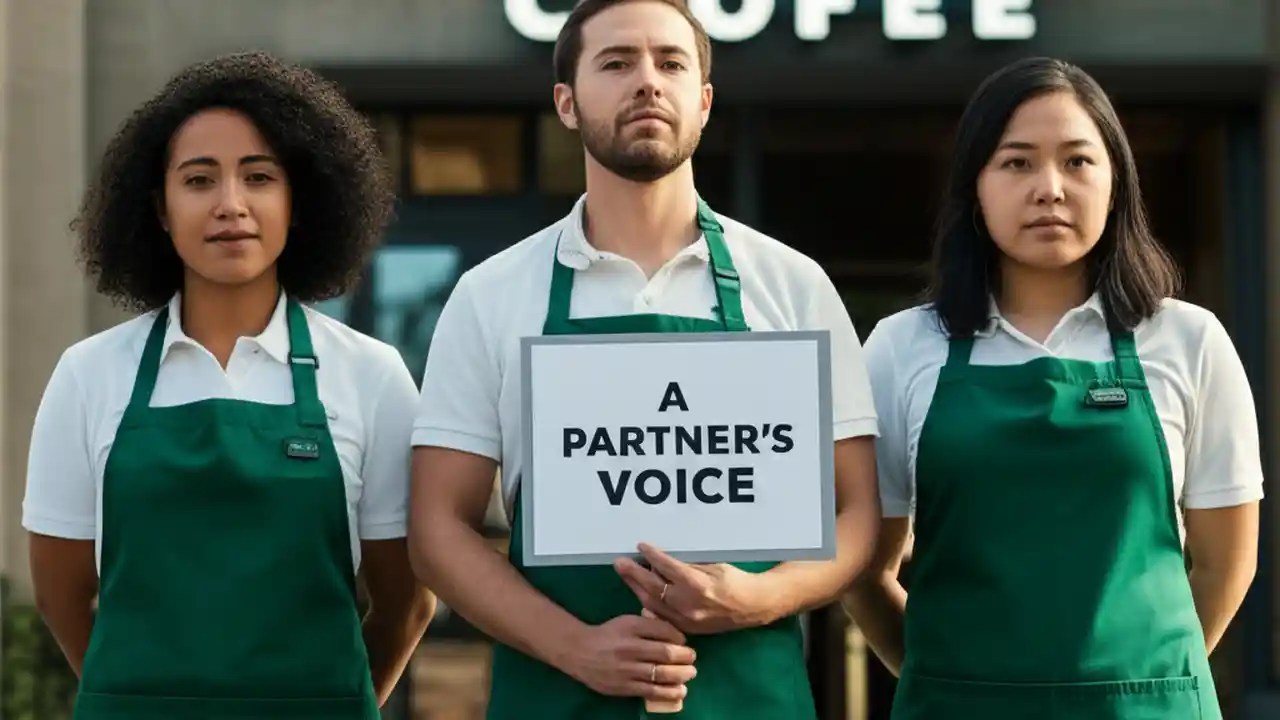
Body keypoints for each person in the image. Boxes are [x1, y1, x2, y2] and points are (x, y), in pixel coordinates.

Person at [407, 0, 881, 717]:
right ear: (566, 103)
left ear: (704, 101)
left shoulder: (792, 284)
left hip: (750, 699)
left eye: (671, 62)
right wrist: (576, 647)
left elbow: (859, 513)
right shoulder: (492, 294)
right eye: (616, 62)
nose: (648, 81)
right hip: (558, 699)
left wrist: (758, 596)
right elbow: (438, 529)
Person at [844, 56, 1263, 720]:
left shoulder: (1189, 339)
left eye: (1077, 161)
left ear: (1116, 183)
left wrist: (1145, 681)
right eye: (1017, 163)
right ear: (975, 187)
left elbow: (1224, 565)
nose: (1050, 189)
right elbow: (865, 568)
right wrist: (941, 676)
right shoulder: (902, 347)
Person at [23, 52, 434, 720]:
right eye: (198, 180)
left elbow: (406, 602)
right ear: (159, 209)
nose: (230, 205)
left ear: (297, 202)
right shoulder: (88, 375)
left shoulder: (373, 375)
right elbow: (60, 594)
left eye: (259, 177)